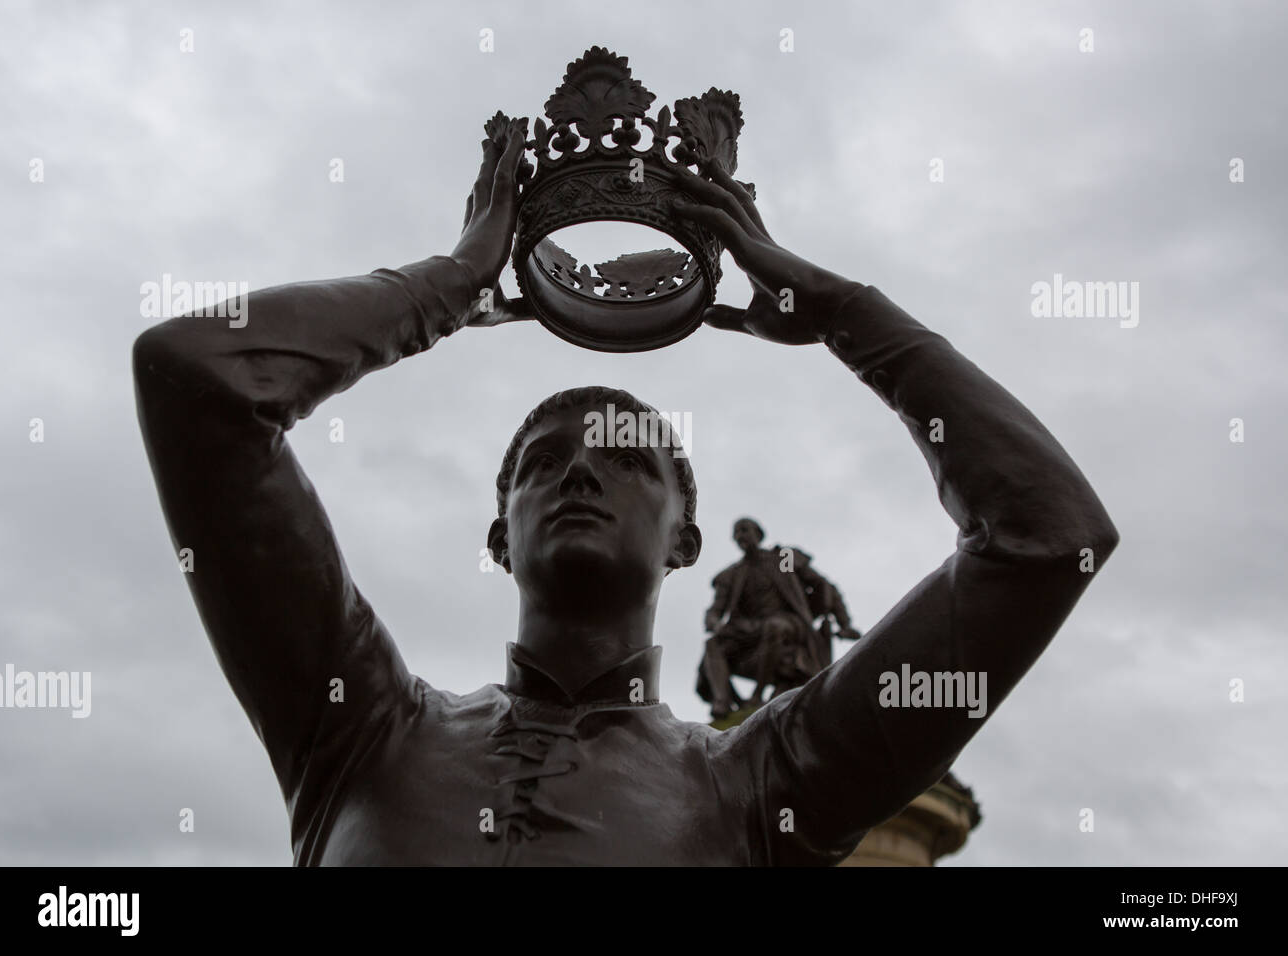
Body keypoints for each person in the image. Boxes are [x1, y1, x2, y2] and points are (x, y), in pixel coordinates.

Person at [132, 124, 1118, 865]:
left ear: (685, 541)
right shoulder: (355, 727)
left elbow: (1047, 535)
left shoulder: (755, 780)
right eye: (542, 460)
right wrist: (447, 284)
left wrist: (848, 314)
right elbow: (199, 377)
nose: (578, 469)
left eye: (628, 457)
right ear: (497, 535)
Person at [698, 518, 860, 718]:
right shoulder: (732, 574)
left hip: (789, 621)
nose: (741, 535)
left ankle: (758, 695)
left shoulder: (781, 560)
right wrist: (713, 623)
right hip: (748, 628)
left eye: (745, 530)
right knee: (713, 644)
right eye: (737, 532)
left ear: (758, 533)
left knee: (775, 626)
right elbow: (716, 609)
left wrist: (845, 623)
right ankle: (722, 702)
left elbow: (823, 585)